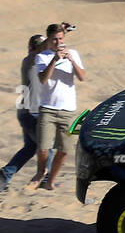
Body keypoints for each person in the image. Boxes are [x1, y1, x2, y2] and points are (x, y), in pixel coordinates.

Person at [33, 23, 86, 190]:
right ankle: (42, 171)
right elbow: (43, 79)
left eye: (60, 39)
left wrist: (71, 60)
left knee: (64, 150)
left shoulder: (74, 54)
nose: (58, 42)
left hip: (68, 110)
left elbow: (82, 77)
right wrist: (55, 60)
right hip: (48, 108)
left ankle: (50, 182)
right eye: (54, 39)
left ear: (65, 38)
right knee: (43, 148)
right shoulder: (42, 57)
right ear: (49, 39)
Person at [0, 34, 46, 191]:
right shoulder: (31, 59)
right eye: (42, 47)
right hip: (31, 113)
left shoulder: (37, 61)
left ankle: (3, 175)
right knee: (46, 145)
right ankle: (45, 179)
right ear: (34, 48)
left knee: (30, 147)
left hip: (28, 112)